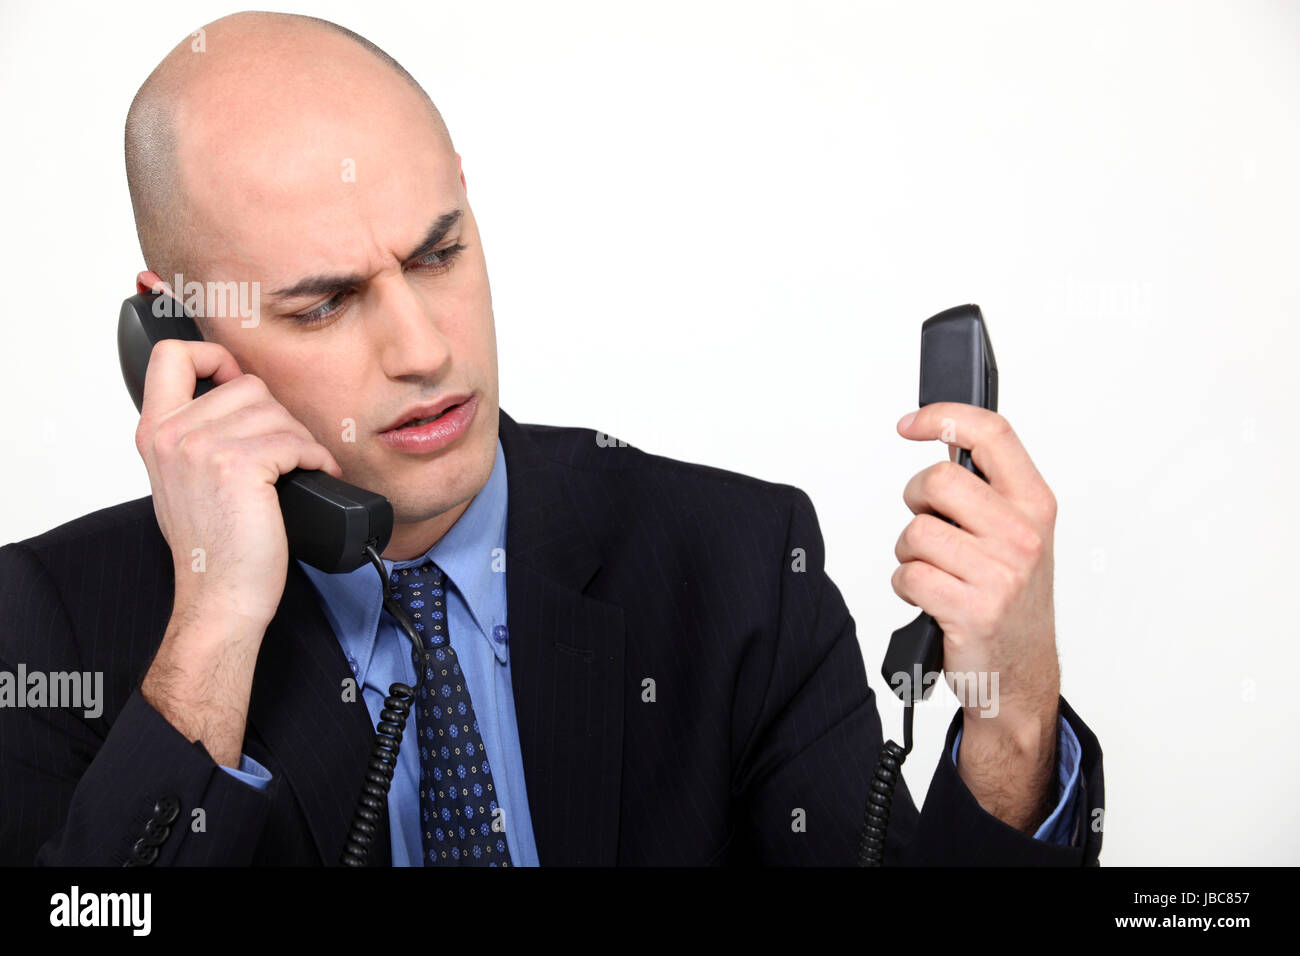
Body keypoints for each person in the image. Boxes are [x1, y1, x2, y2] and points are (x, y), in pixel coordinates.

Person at [0, 11, 1102, 866]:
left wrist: (1010, 711)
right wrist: (215, 631)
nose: (424, 348)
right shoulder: (47, 624)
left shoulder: (737, 564)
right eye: (324, 303)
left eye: (437, 254)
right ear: (181, 327)